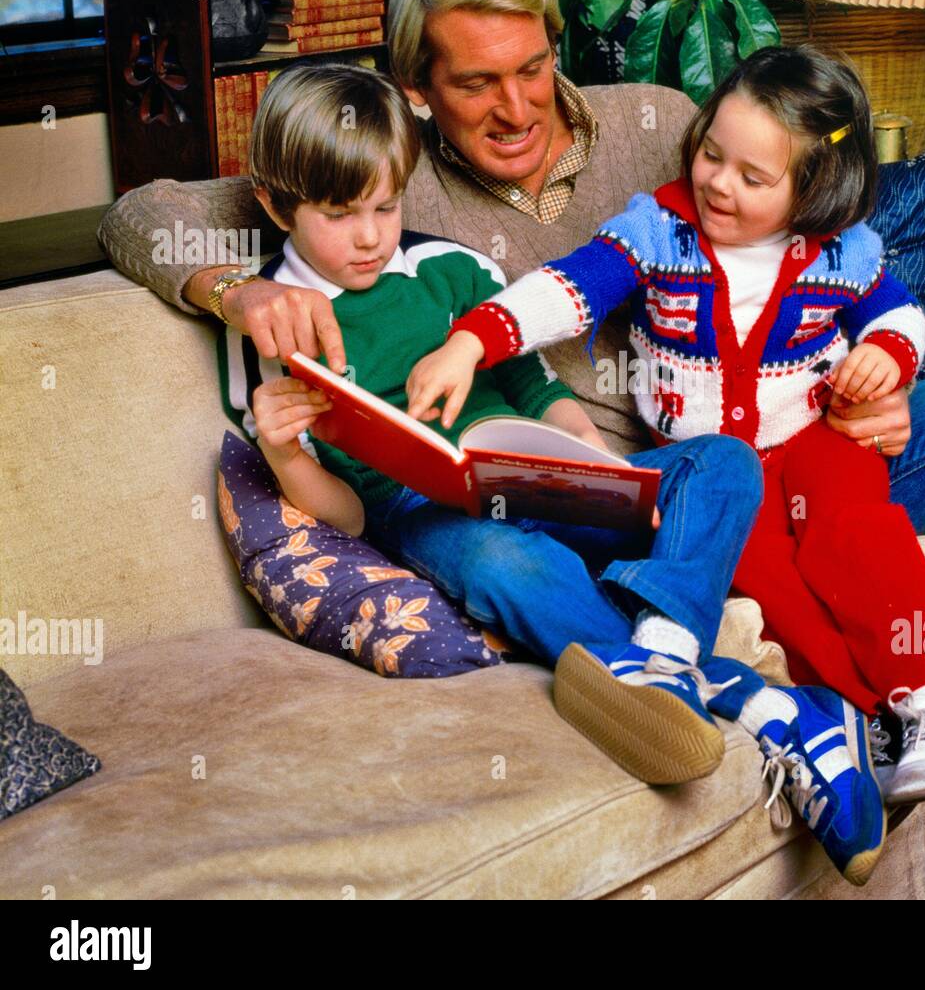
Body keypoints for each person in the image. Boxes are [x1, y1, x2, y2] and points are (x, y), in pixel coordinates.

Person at [97, 0, 925, 899]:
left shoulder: (655, 122)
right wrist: (231, 280)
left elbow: (812, 222)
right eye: (476, 83)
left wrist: (877, 381)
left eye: (532, 66)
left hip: (812, 423)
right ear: (415, 91)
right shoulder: (397, 209)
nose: (518, 105)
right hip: (683, 471)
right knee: (858, 568)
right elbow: (141, 210)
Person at [226, 61, 888, 886]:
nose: (369, 236)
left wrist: (598, 467)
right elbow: (348, 521)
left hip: (539, 472)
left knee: (722, 463)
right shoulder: (275, 328)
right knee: (507, 563)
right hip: (428, 509)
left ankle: (665, 654)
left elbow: (537, 390)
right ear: (273, 203)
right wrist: (286, 452)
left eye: (386, 207)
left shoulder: (450, 273)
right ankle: (774, 708)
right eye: (339, 215)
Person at [414, 44, 925, 805]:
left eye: (754, 178)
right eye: (712, 155)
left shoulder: (842, 250)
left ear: (815, 188)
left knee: (856, 537)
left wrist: (886, 354)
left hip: (822, 441)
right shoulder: (659, 229)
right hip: (714, 474)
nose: (719, 182)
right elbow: (570, 288)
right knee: (773, 586)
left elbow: (900, 316)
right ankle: (869, 713)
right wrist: (473, 339)